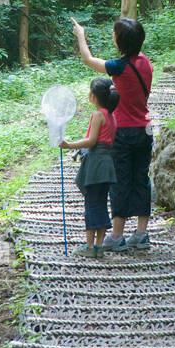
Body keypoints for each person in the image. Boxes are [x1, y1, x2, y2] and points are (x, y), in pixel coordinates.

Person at [70, 15, 154, 253]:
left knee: (121, 181)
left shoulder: (119, 67)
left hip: (124, 131)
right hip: (145, 129)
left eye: (115, 33)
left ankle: (117, 236)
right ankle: (141, 233)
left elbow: (88, 59)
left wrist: (81, 35)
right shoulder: (145, 62)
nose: (112, 36)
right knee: (142, 179)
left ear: (121, 41)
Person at [59, 78, 118, 258]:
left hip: (95, 164)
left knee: (92, 204)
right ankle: (98, 246)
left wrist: (70, 145)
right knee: (100, 203)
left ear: (93, 96)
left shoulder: (98, 115)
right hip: (107, 163)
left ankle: (90, 247)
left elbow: (92, 141)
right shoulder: (111, 115)